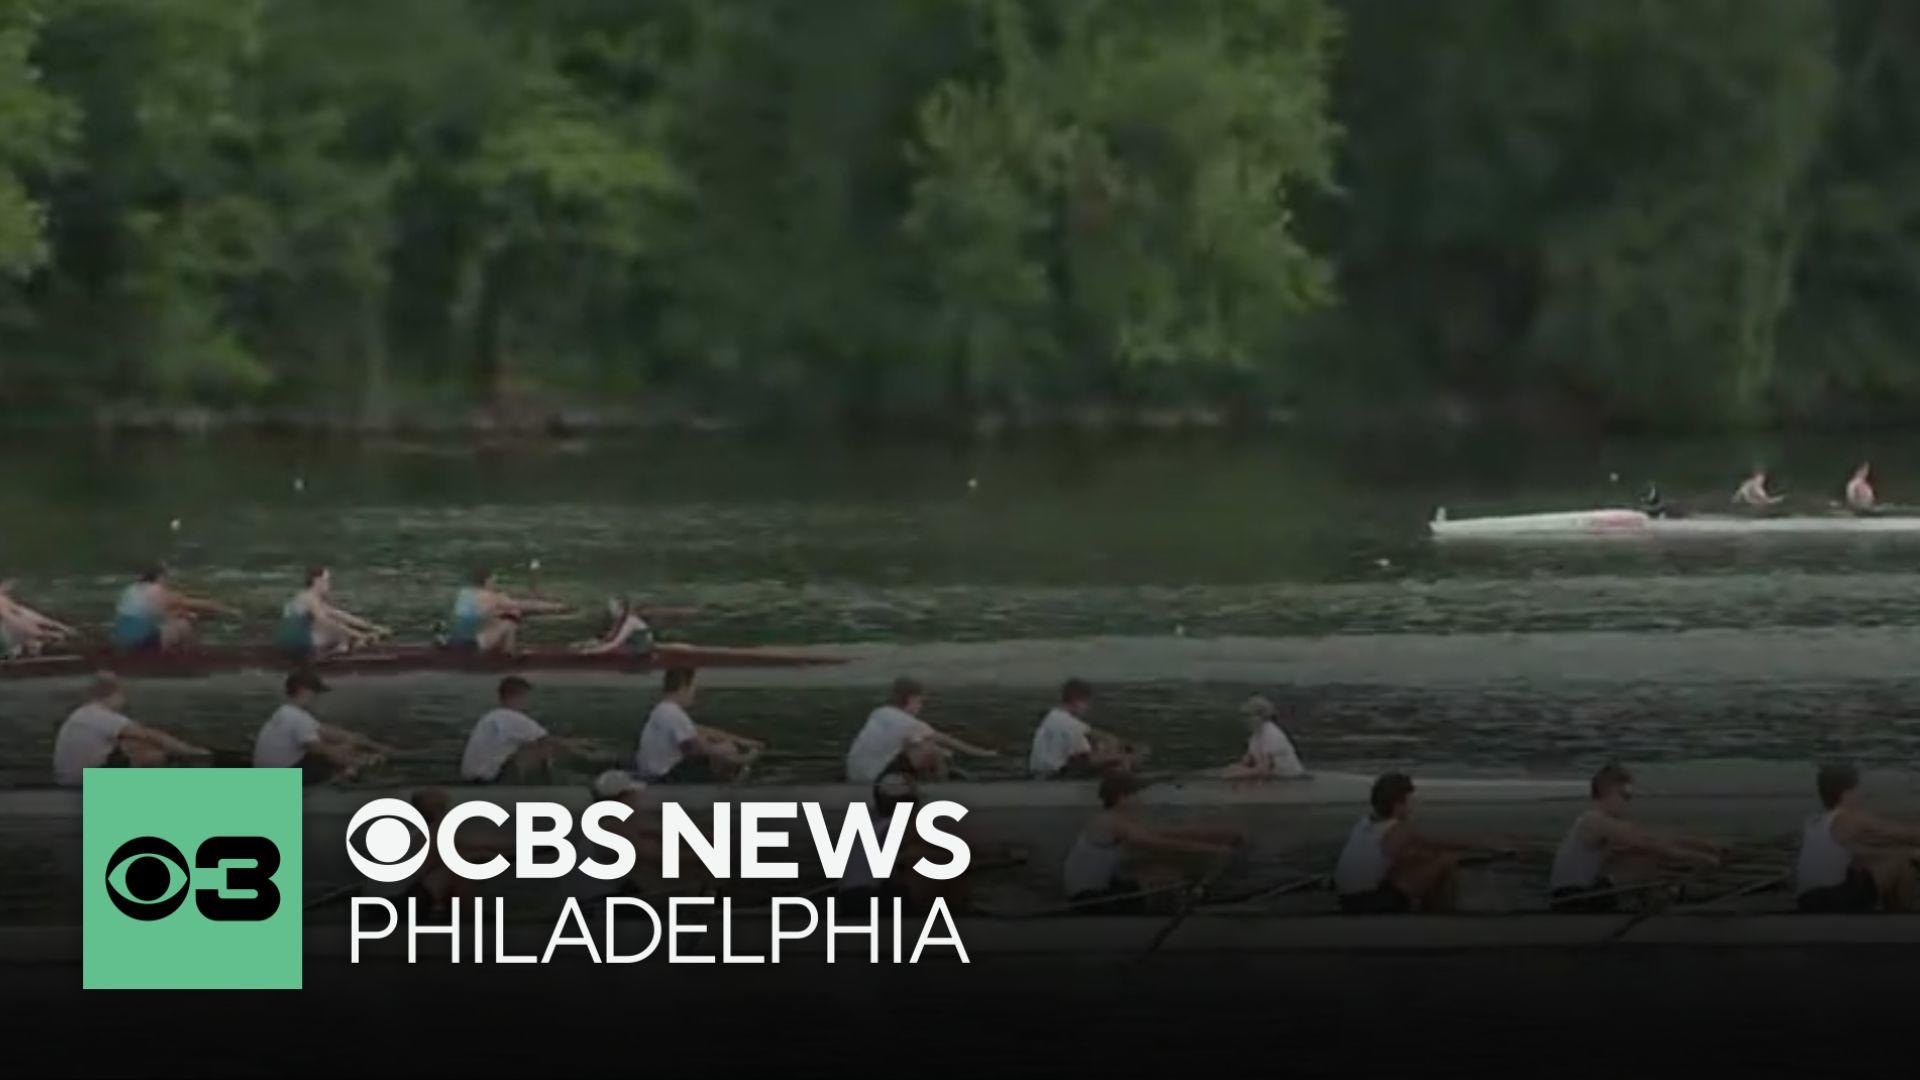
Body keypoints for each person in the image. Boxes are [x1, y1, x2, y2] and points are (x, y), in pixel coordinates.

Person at [1547, 763, 1719, 912]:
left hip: (1579, 894)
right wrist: (1700, 857)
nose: (1628, 801)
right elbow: (1649, 843)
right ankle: (1669, 900)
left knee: (1634, 857)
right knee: (1644, 860)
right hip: (1572, 899)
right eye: (1625, 794)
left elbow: (1655, 837)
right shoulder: (1595, 821)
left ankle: (1665, 897)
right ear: (1607, 791)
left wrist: (1706, 846)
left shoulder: (1598, 822)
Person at [1061, 772, 1238, 911]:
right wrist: (1215, 850)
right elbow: (1159, 843)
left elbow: (1162, 833)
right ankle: (1187, 915)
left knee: (1156, 871)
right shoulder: (1111, 822)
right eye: (1137, 795)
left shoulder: (1109, 819)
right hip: (1089, 899)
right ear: (1122, 797)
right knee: (1165, 875)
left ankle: (1188, 905)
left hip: (1098, 891)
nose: (1141, 800)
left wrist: (1218, 834)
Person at [1334, 772, 1492, 913]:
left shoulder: (1362, 824)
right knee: (1447, 859)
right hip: (1370, 902)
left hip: (1346, 899)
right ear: (1398, 804)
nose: (1412, 806)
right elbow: (1439, 845)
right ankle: (1442, 915)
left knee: (1420, 859)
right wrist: (1485, 844)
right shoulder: (1399, 829)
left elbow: (1402, 855)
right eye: (1409, 800)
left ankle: (1430, 910)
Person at [1794, 763, 1920, 913]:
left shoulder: (1813, 822)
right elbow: (1909, 834)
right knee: (1903, 861)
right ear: (1847, 792)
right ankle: (1903, 919)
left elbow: (1864, 850)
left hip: (1806, 901)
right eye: (1858, 788)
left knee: (1875, 861)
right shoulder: (1850, 818)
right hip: (1832, 900)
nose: (1861, 794)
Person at [51, 673, 209, 785]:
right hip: (83, 782)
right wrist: (192, 751)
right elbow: (151, 735)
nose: (125, 701)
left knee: (132, 745)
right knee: (149, 751)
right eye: (123, 695)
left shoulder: (82, 713)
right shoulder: (101, 715)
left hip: (69, 778)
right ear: (114, 694)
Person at [844, 676, 997, 784]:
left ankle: (920, 781)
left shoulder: (879, 712)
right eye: (920, 702)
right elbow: (947, 740)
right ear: (911, 699)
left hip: (854, 774)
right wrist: (983, 753)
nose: (920, 707)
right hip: (873, 779)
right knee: (932, 750)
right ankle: (942, 789)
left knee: (919, 746)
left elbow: (904, 744)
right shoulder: (910, 724)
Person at [250, 670, 390, 784]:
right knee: (338, 763)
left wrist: (358, 739)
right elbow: (327, 751)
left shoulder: (286, 711)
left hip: (270, 771)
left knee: (333, 754)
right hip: (281, 778)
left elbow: (325, 730)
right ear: (305, 691)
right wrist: (357, 755)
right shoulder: (297, 718)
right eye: (316, 693)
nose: (317, 698)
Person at [634, 667, 763, 782]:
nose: (694, 693)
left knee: (714, 745)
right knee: (719, 751)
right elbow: (695, 748)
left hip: (652, 771)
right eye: (693, 688)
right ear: (684, 687)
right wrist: (737, 757)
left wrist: (743, 741)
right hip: (663, 777)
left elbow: (702, 730)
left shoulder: (663, 709)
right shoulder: (673, 714)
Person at [458, 676, 596, 783]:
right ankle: (546, 790)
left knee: (529, 746)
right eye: (528, 697)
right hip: (487, 780)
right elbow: (548, 740)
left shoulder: (491, 716)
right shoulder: (512, 717)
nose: (530, 702)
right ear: (520, 696)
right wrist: (584, 749)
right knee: (543, 748)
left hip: (472, 777)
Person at [109, 564, 239, 652]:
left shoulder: (131, 589)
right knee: (184, 623)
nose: (168, 581)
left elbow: (152, 614)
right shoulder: (158, 591)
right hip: (140, 641)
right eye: (167, 577)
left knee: (179, 616)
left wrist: (181, 613)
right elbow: (202, 604)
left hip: (119, 638)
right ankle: (189, 655)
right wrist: (231, 611)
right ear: (160, 577)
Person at [1028, 678, 1137, 779]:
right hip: (1056, 776)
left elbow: (1091, 734)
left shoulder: (1051, 717)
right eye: (1086, 703)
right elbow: (1086, 760)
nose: (1087, 708)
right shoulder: (1072, 726)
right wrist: (1120, 757)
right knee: (1119, 762)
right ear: (1077, 701)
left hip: (1038, 773)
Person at [276, 566, 389, 660]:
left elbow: (341, 615)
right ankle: (338, 655)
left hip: (289, 639)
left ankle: (344, 648)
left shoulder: (308, 597)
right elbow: (325, 621)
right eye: (326, 580)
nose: (329, 584)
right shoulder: (310, 599)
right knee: (339, 631)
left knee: (339, 626)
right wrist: (357, 634)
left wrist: (372, 627)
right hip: (297, 641)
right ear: (317, 581)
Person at [447, 570, 567, 655]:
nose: (494, 584)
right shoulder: (491, 596)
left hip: (455, 641)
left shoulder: (463, 593)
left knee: (500, 617)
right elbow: (526, 605)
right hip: (473, 645)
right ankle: (508, 656)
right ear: (487, 581)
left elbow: (480, 613)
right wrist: (557, 607)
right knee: (509, 623)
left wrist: (502, 612)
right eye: (493, 581)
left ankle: (495, 652)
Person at [1221, 695, 1306, 779]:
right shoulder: (1256, 735)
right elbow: (1246, 761)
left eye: (1249, 716)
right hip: (1276, 778)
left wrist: (1238, 773)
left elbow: (1264, 770)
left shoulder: (1272, 735)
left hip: (1290, 779)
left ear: (1261, 716)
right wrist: (1233, 768)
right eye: (1244, 717)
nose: (1246, 721)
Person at [0, 581, 74, 657]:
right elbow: (16, 620)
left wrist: (60, 628)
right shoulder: (6, 608)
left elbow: (34, 619)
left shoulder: (12, 608)